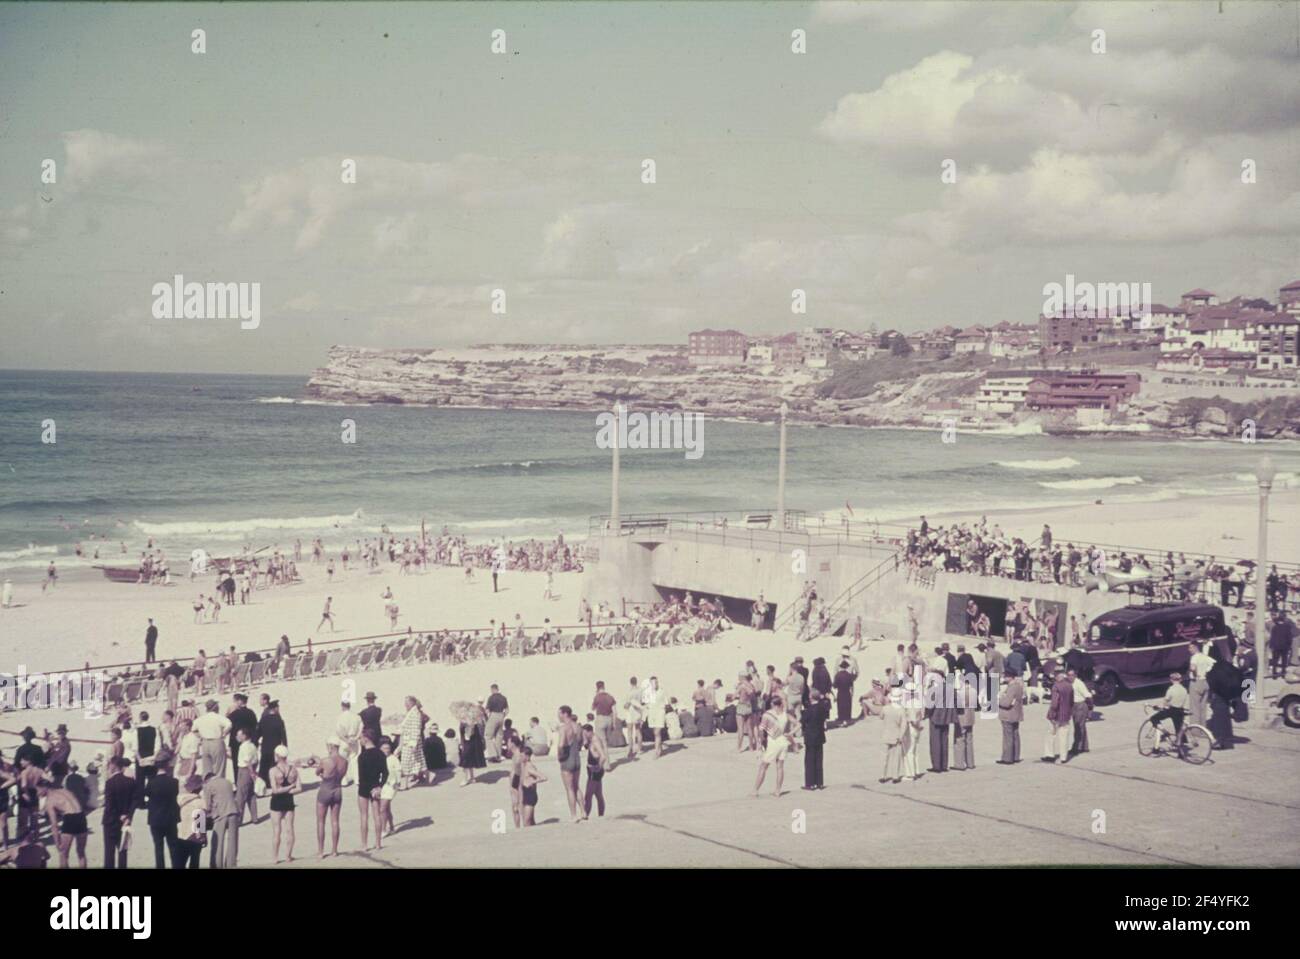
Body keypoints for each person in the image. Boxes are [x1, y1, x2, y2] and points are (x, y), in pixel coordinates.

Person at [37, 779, 89, 868]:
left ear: (44, 788)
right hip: (81, 816)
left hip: (70, 818)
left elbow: (54, 825)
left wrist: (57, 843)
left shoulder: (49, 801)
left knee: (63, 854)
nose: (37, 793)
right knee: (81, 852)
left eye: (38, 790)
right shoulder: (65, 790)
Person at [753, 696, 793, 798]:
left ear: (772, 704)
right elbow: (798, 724)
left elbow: (761, 729)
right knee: (780, 767)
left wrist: (761, 741)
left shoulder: (767, 715)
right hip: (783, 741)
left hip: (773, 742)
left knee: (763, 766)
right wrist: (790, 733)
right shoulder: (785, 714)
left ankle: (755, 790)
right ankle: (778, 791)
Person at [100, 756, 137, 869]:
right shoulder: (131, 782)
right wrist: (128, 816)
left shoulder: (110, 783)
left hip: (111, 821)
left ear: (114, 765)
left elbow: (110, 805)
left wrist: (119, 815)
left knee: (109, 852)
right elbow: (134, 801)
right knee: (122, 850)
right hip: (125, 821)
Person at [143, 760, 180, 868]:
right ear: (167, 766)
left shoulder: (151, 782)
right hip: (170, 818)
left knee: (158, 848)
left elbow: (146, 794)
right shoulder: (174, 782)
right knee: (173, 847)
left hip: (156, 818)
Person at [315, 738, 347, 858]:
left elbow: (318, 772)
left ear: (332, 746)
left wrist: (322, 773)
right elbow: (341, 775)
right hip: (337, 789)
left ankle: (321, 851)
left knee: (321, 822)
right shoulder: (344, 761)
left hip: (325, 789)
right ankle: (334, 850)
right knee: (335, 821)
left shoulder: (326, 760)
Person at [268, 745, 300, 863]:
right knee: (290, 829)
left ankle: (275, 858)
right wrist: (291, 787)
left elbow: (275, 790)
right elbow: (299, 788)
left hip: (276, 801)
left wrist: (285, 788)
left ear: (277, 756)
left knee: (277, 831)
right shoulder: (294, 769)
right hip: (289, 800)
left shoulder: (273, 770)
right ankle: (288, 856)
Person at [356, 730, 387, 850]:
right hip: (375, 786)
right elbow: (385, 773)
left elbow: (362, 775)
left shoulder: (362, 756)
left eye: (361, 738)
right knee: (377, 815)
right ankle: (378, 843)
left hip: (364, 787)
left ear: (366, 738)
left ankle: (364, 845)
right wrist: (379, 786)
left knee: (364, 816)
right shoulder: (380, 754)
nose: (360, 741)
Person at [202, 771, 239, 868]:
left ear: (207, 780)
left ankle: (216, 865)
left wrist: (208, 815)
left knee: (218, 841)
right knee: (233, 841)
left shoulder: (209, 785)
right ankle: (231, 864)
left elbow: (207, 804)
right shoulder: (227, 782)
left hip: (220, 814)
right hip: (233, 811)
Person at [556, 706, 583, 823]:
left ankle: (573, 815)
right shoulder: (577, 726)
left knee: (569, 789)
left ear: (564, 714)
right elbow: (582, 741)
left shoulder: (564, 728)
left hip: (567, 759)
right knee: (577, 786)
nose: (558, 716)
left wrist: (560, 755)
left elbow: (561, 744)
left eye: (559, 714)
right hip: (576, 757)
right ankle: (584, 812)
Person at [173, 775, 205, 869]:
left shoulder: (179, 799)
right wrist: (202, 837)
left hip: (180, 834)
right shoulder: (200, 802)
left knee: (179, 863)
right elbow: (200, 822)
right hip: (194, 837)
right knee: (194, 862)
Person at [801, 688, 829, 790]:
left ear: (811, 697)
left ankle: (810, 783)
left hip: (810, 736)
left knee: (809, 760)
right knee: (819, 760)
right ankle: (819, 782)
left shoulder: (809, 710)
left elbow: (803, 721)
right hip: (819, 736)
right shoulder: (822, 708)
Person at [194, 700, 230, 779]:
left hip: (205, 742)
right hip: (217, 741)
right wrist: (224, 733)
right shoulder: (218, 717)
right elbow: (229, 724)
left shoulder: (201, 718)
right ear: (215, 707)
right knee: (219, 767)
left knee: (207, 767)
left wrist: (200, 736)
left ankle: (208, 786)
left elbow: (193, 729)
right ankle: (218, 785)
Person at [1150, 672, 1190, 743]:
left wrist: (1157, 706)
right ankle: (1181, 745)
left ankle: (1165, 732)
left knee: (1154, 718)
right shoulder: (1184, 689)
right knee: (1179, 728)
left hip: (1172, 710)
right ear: (1180, 680)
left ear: (1171, 680)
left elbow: (1165, 702)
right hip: (1180, 710)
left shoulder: (1171, 690)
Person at [1044, 670, 1074, 764]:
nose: (1054, 677)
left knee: (1051, 735)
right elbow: (1071, 701)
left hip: (1056, 715)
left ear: (1058, 676)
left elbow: (1054, 703)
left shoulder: (1056, 686)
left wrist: (1051, 715)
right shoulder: (1069, 686)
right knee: (1064, 736)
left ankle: (1050, 755)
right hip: (1066, 714)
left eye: (1055, 675)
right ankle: (1063, 757)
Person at [257, 700, 288, 788]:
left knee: (264, 766)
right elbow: (283, 736)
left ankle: (263, 784)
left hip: (265, 747)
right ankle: (274, 783)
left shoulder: (263, 719)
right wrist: (285, 748)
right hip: (276, 748)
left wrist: (255, 744)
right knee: (275, 766)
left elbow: (258, 734)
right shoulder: (279, 720)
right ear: (275, 708)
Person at [581, 724, 609, 819]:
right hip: (593, 770)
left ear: (589, 732)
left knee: (588, 795)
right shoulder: (592, 740)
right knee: (598, 794)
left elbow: (603, 756)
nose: (584, 735)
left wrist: (598, 767)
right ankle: (601, 815)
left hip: (594, 770)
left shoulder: (595, 741)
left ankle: (586, 816)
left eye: (585, 734)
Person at [398, 696, 427, 787]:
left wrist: (413, 744)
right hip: (409, 741)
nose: (405, 705)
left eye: (407, 703)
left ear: (412, 703)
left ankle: (405, 784)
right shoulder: (412, 713)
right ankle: (426, 776)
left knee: (407, 763)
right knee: (415, 762)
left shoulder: (415, 714)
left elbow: (416, 730)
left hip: (410, 742)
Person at [997, 668, 1025, 764]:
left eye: (1005, 676)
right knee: (1015, 735)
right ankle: (1016, 756)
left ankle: (1007, 758)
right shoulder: (1019, 686)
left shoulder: (1011, 687)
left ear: (1010, 677)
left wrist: (998, 700)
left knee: (1007, 737)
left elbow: (1006, 703)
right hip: (1016, 714)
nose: (1004, 677)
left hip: (1008, 715)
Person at [880, 687, 906, 784]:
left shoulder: (885, 708)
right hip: (896, 736)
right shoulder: (901, 710)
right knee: (896, 757)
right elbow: (904, 725)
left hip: (886, 734)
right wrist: (901, 735)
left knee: (884, 757)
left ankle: (883, 775)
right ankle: (895, 776)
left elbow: (881, 716)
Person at [234, 727, 259, 826]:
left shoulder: (244, 746)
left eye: (238, 735)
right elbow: (256, 760)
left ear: (244, 736)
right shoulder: (252, 745)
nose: (237, 737)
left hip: (245, 771)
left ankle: (238, 820)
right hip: (250, 769)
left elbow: (247, 761)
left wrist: (251, 773)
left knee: (241, 796)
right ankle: (255, 817)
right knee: (251, 795)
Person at [1067, 668, 1092, 756]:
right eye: (1068, 675)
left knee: (1078, 727)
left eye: (1072, 675)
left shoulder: (1079, 684)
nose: (1070, 677)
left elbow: (1088, 695)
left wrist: (1090, 709)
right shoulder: (1069, 683)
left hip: (1081, 705)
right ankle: (1085, 746)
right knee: (1080, 726)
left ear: (1075, 675)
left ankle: (1077, 747)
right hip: (1074, 706)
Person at [519, 745, 545, 827]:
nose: (520, 757)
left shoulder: (530, 767)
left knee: (526, 822)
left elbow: (544, 777)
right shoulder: (524, 765)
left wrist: (533, 782)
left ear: (527, 756)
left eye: (522, 756)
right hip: (526, 793)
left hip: (530, 794)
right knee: (531, 821)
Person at [457, 716, 486, 786]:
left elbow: (465, 733)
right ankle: (472, 777)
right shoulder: (477, 719)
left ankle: (465, 778)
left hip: (470, 740)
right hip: (473, 741)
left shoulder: (469, 720)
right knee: (470, 758)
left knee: (465, 759)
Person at [622, 677, 644, 762]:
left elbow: (627, 704)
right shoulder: (640, 691)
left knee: (630, 732)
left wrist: (625, 706)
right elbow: (642, 702)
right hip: (638, 712)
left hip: (630, 712)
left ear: (630, 682)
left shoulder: (629, 691)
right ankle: (640, 749)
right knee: (638, 730)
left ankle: (630, 750)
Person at [484, 684, 508, 762]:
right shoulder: (503, 698)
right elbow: (507, 710)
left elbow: (487, 710)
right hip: (501, 715)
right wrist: (503, 716)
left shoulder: (491, 698)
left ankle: (492, 754)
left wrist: (488, 718)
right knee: (499, 737)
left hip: (493, 715)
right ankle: (498, 755)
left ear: (493, 689)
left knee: (488, 736)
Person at [591, 681, 618, 746]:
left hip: (600, 719)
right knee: (606, 741)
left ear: (597, 687)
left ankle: (604, 756)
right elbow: (615, 712)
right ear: (604, 686)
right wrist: (614, 723)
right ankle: (605, 755)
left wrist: (596, 694)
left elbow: (592, 708)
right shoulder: (610, 697)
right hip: (609, 719)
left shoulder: (597, 697)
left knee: (601, 742)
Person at [832, 660, 855, 726]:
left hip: (840, 692)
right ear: (847, 667)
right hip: (847, 692)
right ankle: (846, 721)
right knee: (847, 707)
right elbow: (851, 685)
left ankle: (841, 720)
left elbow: (834, 686)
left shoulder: (838, 675)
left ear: (840, 667)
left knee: (841, 706)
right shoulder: (849, 675)